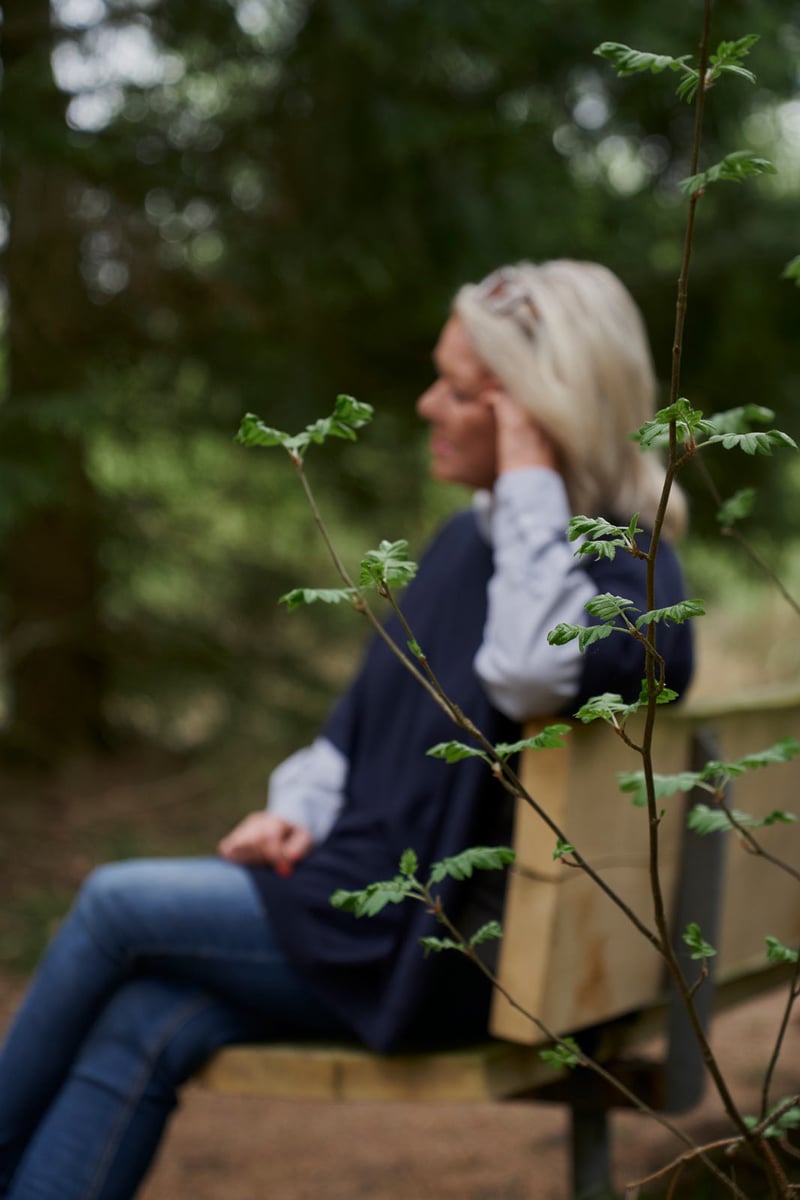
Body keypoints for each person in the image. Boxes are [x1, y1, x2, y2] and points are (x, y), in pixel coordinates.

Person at [0, 260, 694, 1199]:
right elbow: (355, 729)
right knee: (152, 1016)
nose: (424, 406)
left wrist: (534, 473)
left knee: (117, 906)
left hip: (446, 951)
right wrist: (302, 808)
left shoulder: (631, 578)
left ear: (539, 411)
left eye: (459, 391)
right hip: (385, 908)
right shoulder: (470, 542)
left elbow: (527, 664)